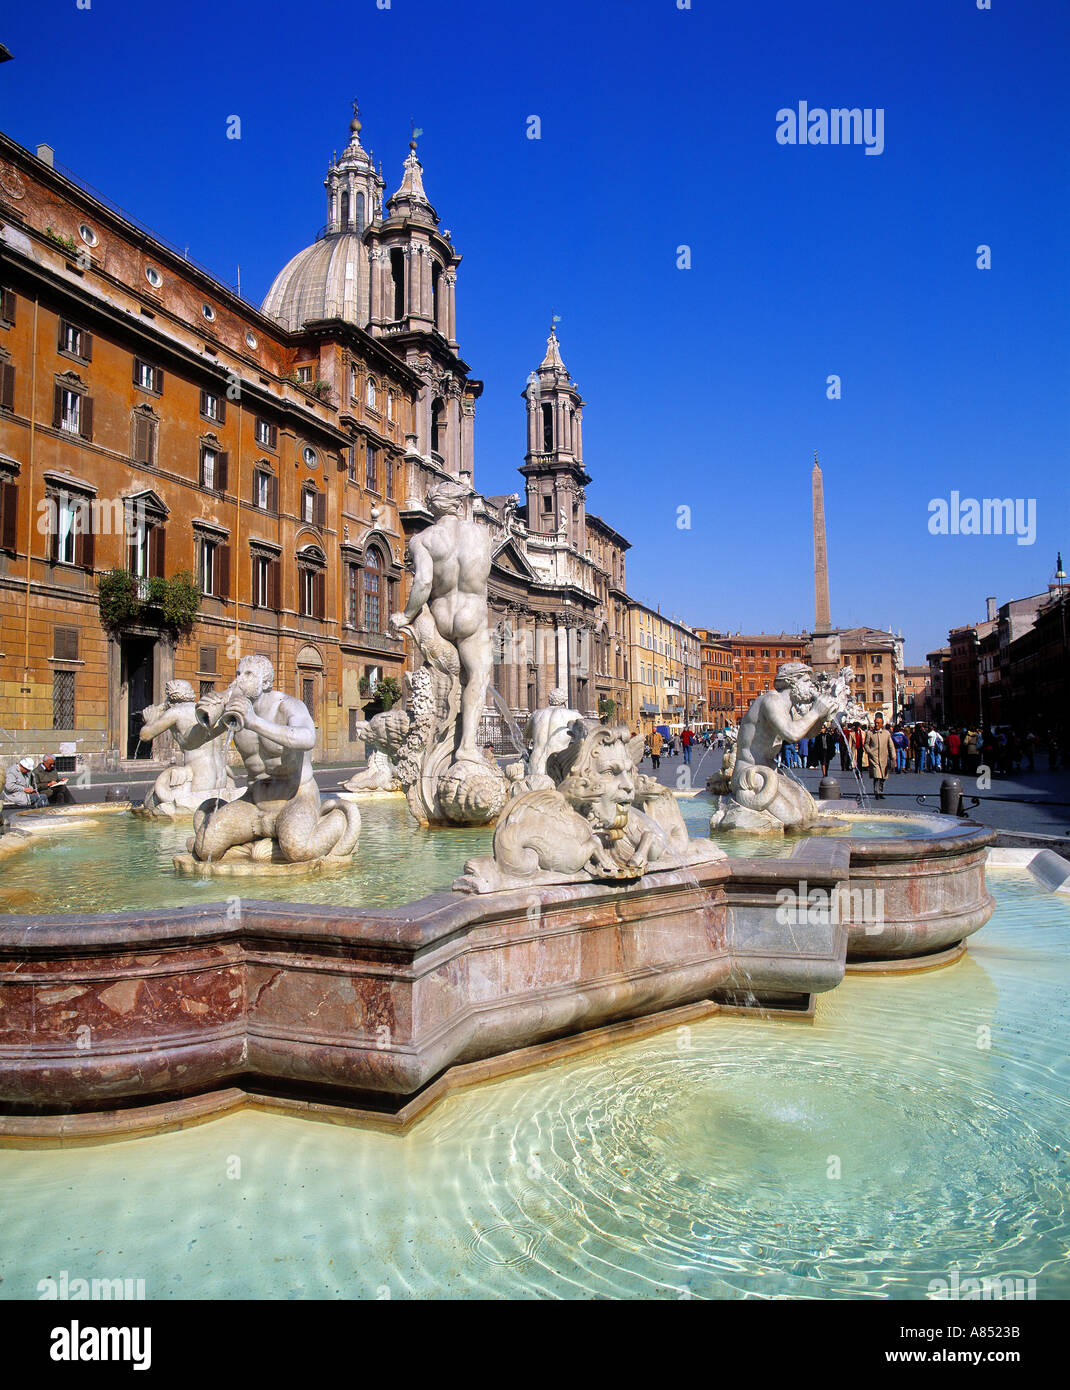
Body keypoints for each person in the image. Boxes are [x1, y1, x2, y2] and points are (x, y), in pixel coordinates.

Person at [864, 714, 895, 800]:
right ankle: (876, 792)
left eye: (878, 723)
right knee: (877, 776)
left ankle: (881, 791)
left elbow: (891, 746)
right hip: (874, 758)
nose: (877, 725)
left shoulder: (886, 733)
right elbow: (866, 745)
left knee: (883, 777)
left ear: (882, 724)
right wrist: (870, 753)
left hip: (884, 758)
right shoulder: (870, 733)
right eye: (875, 723)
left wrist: (893, 757)